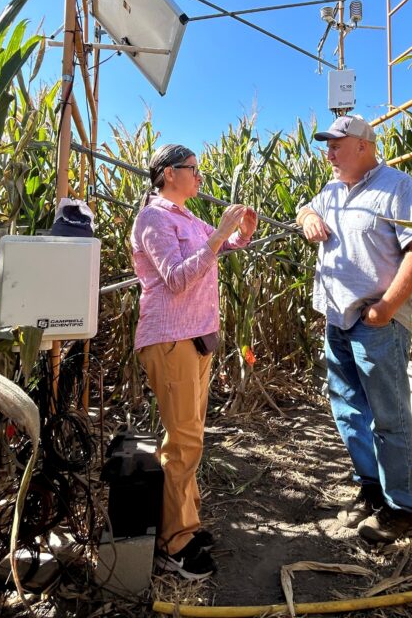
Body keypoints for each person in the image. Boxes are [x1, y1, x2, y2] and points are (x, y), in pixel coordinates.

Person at [296, 114, 412, 544]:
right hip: (336, 321)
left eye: (336, 144)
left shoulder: (398, 187)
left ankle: (402, 506)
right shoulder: (331, 190)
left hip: (376, 324)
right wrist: (306, 217)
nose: (328, 152)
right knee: (349, 410)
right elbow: (306, 208)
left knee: (389, 417)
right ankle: (371, 487)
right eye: (328, 145)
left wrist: (386, 308)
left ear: (363, 145)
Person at [131, 144, 258, 580]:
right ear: (168, 174)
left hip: (195, 340)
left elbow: (216, 250)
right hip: (170, 338)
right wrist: (220, 234)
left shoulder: (185, 217)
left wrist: (241, 234)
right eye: (193, 170)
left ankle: (187, 523)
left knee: (191, 438)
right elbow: (178, 277)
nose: (200, 177)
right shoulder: (153, 218)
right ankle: (174, 544)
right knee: (183, 443)